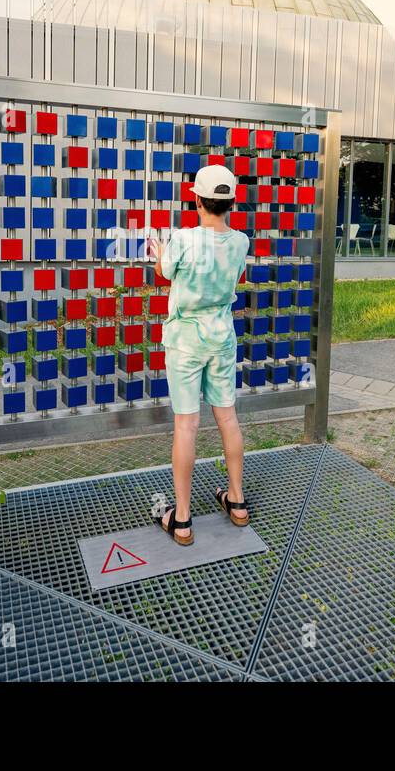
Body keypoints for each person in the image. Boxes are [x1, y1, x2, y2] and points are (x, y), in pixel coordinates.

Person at [147, 163, 250, 546]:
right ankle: (237, 502)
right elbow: (232, 275)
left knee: (187, 425)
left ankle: (183, 519)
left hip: (186, 342)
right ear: (231, 203)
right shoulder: (241, 242)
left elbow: (165, 274)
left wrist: (158, 253)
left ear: (196, 200)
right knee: (228, 418)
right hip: (222, 338)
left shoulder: (184, 239)